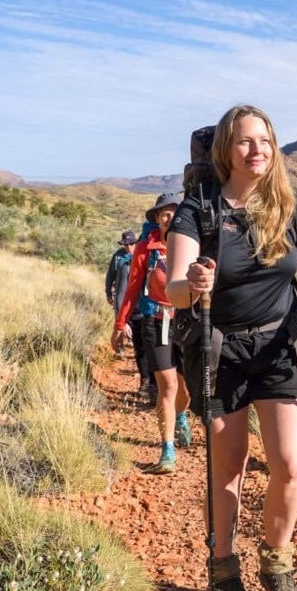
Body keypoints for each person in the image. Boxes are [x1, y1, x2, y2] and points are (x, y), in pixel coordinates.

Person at [166, 104, 297, 591]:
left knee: (290, 466)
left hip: (279, 347)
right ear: (226, 148)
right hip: (219, 352)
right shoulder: (197, 211)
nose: (259, 151)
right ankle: (223, 569)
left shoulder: (292, 208)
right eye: (247, 141)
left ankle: (276, 562)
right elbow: (174, 288)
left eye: (266, 141)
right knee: (229, 467)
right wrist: (194, 285)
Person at [112, 193, 194, 473]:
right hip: (155, 320)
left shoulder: (193, 246)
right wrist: (120, 324)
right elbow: (133, 287)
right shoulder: (146, 249)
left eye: (174, 212)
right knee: (167, 386)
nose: (169, 217)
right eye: (164, 213)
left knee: (186, 389)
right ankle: (167, 450)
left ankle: (181, 415)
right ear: (157, 218)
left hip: (187, 322)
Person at [105, 230, 153, 393]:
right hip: (134, 313)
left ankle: (155, 383)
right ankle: (146, 382)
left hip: (152, 312)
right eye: (126, 245)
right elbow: (120, 293)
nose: (129, 248)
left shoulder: (153, 262)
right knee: (140, 348)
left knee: (153, 349)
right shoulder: (123, 264)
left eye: (131, 244)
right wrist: (122, 321)